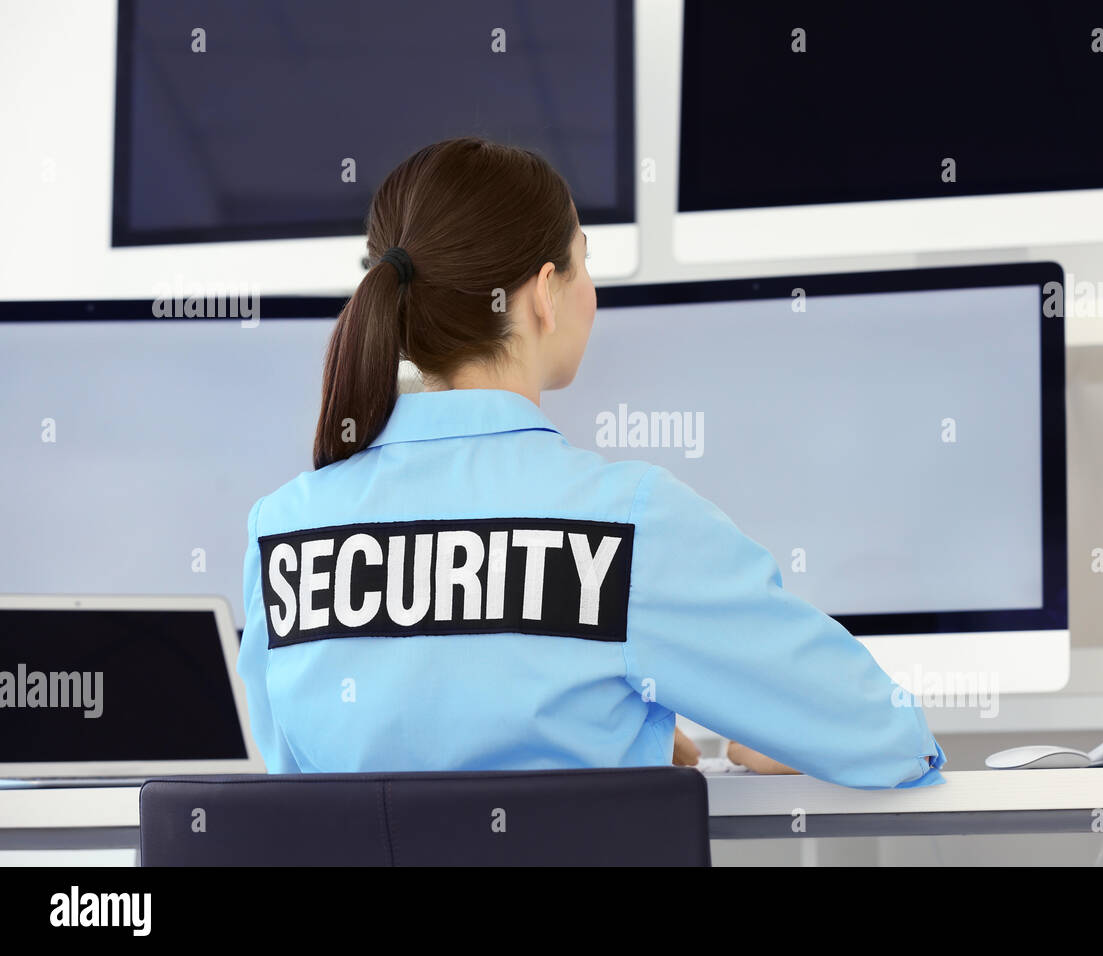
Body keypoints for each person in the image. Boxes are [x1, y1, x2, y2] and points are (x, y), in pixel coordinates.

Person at [238, 136, 947, 788]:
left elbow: (301, 794)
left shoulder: (283, 532)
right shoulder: (632, 523)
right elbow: (890, 741)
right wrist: (771, 734)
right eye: (584, 260)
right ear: (544, 292)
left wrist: (611, 736)